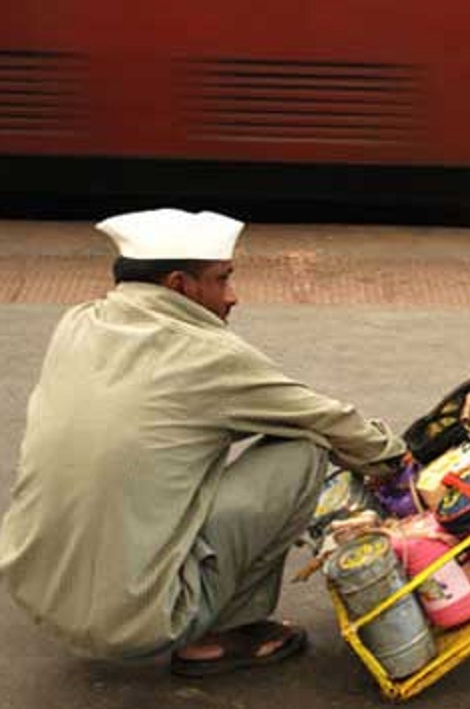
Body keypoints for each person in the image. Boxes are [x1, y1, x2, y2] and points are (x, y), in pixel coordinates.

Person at [0, 208, 406, 677]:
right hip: (138, 621)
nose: (232, 297)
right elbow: (326, 419)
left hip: (38, 592)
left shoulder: (77, 323)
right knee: (304, 450)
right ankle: (222, 635)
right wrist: (395, 459)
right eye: (222, 279)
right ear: (179, 286)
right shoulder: (206, 354)